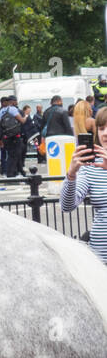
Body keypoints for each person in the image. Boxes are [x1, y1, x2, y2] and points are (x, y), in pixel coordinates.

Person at [60, 105, 107, 263]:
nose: (105, 133)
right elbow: (66, 206)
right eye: (101, 128)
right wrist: (72, 174)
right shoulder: (91, 168)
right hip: (100, 259)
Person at [0, 95, 26, 177]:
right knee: (16, 155)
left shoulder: (0, 112)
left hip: (6, 136)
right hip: (15, 136)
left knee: (10, 155)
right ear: (11, 102)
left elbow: (0, 126)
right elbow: (22, 121)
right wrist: (26, 115)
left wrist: (1, 138)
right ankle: (11, 173)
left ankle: (14, 172)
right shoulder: (13, 109)